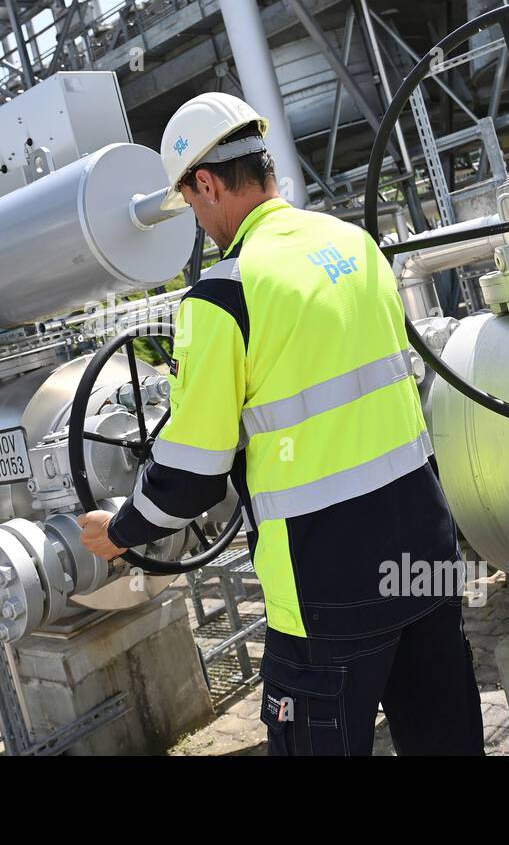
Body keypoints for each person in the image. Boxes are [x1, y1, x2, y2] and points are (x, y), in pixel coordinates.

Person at [78, 91, 484, 756]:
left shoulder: (223, 296)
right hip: (426, 551)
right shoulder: (356, 245)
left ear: (205, 183)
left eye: (190, 204)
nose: (199, 224)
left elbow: (190, 475)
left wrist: (121, 530)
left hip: (327, 585)